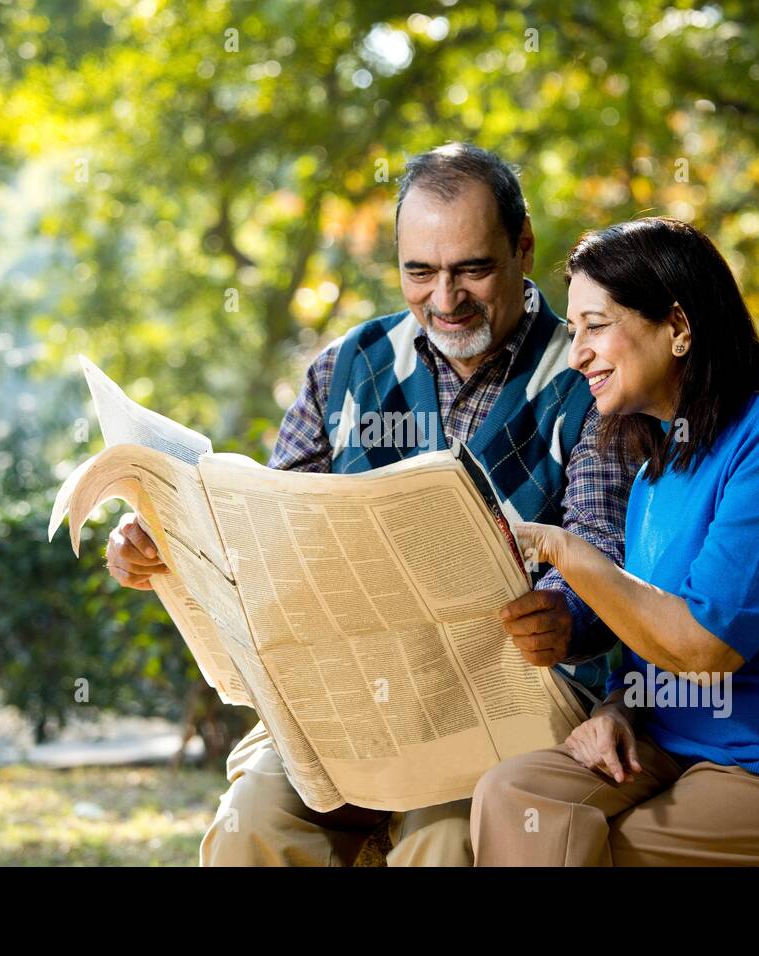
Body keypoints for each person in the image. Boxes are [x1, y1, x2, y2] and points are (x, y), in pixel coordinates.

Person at [104, 144, 635, 866]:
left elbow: (602, 541)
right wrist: (162, 545)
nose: (444, 299)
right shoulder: (347, 366)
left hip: (494, 710)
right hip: (348, 709)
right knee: (251, 823)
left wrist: (566, 615)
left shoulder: (589, 374)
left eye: (471, 269)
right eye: (420, 271)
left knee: (444, 842)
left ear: (524, 247)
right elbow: (265, 526)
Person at [472, 217, 759, 866]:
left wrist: (564, 550)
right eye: (573, 330)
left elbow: (706, 648)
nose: (577, 354)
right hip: (684, 745)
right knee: (512, 797)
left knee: (604, 848)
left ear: (679, 328)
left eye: (596, 326)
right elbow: (649, 649)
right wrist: (618, 710)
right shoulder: (655, 474)